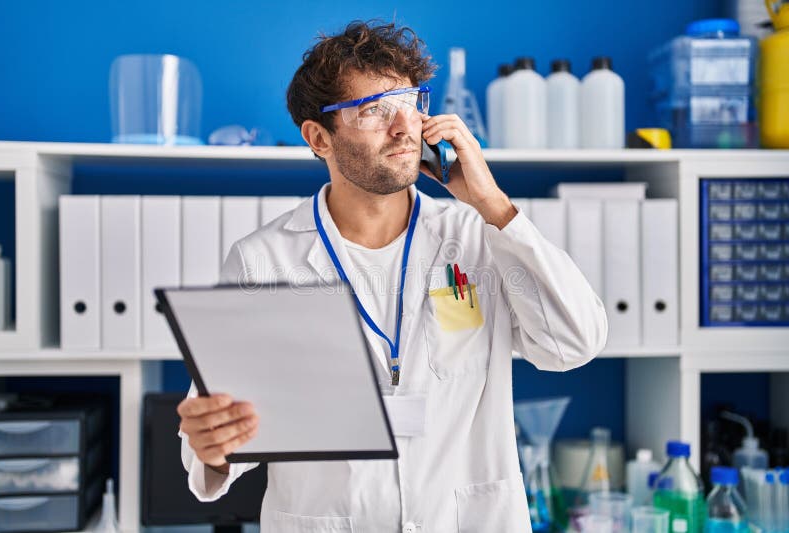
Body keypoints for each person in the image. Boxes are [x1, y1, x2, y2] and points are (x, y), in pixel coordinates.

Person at [178, 20, 608, 532]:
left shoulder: (477, 236)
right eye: (376, 111)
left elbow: (573, 343)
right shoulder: (264, 260)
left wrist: (493, 205)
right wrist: (213, 449)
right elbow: (224, 426)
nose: (405, 126)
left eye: (412, 101)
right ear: (319, 138)